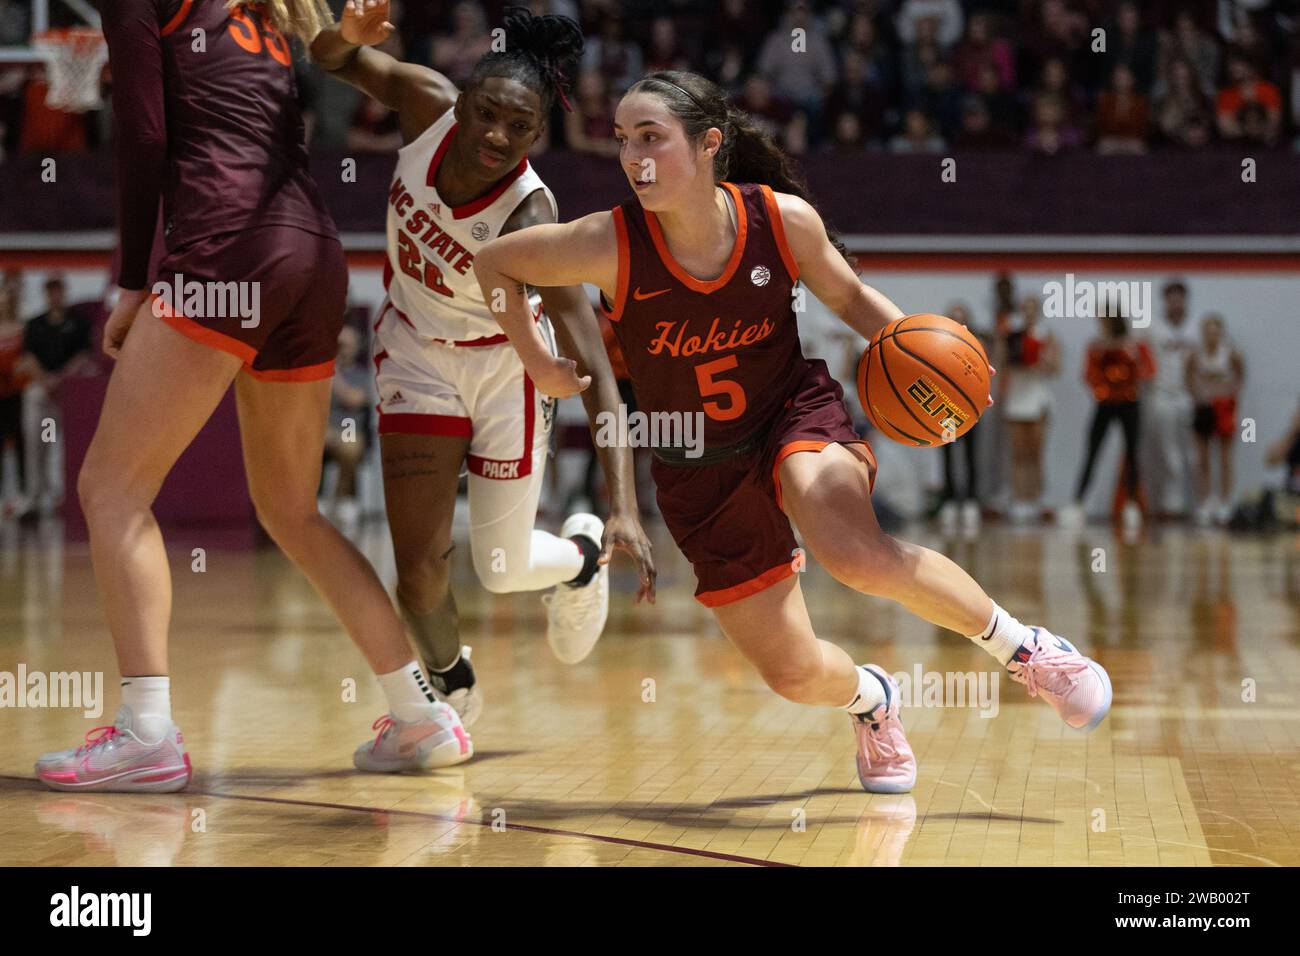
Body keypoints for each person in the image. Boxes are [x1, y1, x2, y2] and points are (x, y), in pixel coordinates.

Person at [473, 69, 1112, 794]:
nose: (632, 157)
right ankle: (872, 701)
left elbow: (851, 298)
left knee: (854, 554)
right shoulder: (608, 242)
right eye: (622, 140)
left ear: (709, 143)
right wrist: (538, 362)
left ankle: (1029, 652)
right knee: (794, 674)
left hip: (790, 416)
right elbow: (493, 261)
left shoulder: (780, 221)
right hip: (697, 466)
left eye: (650, 137)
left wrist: (933, 369)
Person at [35, 0, 472, 793]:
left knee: (111, 489)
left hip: (231, 247)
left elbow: (142, 136)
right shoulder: (259, 13)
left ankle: (147, 735)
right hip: (313, 252)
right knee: (291, 510)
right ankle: (420, 715)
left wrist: (133, 280)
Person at [311, 2, 655, 728]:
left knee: (500, 573)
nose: (498, 135)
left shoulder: (532, 217)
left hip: (505, 371)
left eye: (519, 127)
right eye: (488, 113)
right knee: (418, 569)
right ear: (463, 102)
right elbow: (331, 61)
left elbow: (591, 356)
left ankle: (580, 558)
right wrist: (348, 36)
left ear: (537, 135)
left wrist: (622, 502)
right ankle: (452, 690)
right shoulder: (425, 103)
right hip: (414, 354)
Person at [1058, 314, 1154, 531]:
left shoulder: (1134, 345)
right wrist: (1103, 384)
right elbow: (1088, 374)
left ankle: (1131, 504)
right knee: (1092, 451)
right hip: (1105, 403)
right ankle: (1078, 503)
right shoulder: (1097, 346)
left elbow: (1148, 371)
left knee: (1131, 453)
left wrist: (1132, 360)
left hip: (1130, 403)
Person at [21, 275, 91, 513]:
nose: (55, 296)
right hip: (41, 391)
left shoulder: (77, 323)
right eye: (51, 291)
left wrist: (62, 380)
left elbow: (82, 354)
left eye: (58, 290)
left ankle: (60, 497)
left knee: (60, 445)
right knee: (36, 443)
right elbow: (29, 357)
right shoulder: (35, 324)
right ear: (46, 294)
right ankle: (34, 496)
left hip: (67, 392)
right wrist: (45, 380)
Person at [999, 295, 1059, 523]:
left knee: (1036, 453)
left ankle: (1037, 498)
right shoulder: (1012, 334)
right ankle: (1019, 499)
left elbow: (1054, 368)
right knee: (1018, 453)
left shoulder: (1047, 335)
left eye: (1033, 309)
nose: (1029, 314)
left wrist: (1040, 358)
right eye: (1025, 309)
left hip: (1037, 396)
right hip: (1017, 395)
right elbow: (1003, 361)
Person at [1145, 279, 1196, 518]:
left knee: (1191, 451)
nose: (1176, 304)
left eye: (1180, 299)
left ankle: (1196, 502)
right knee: (1167, 451)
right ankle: (1170, 502)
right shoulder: (1152, 328)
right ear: (1165, 301)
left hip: (1188, 395)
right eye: (1171, 299)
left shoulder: (1196, 328)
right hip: (1162, 393)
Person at [1187, 313, 1244, 525]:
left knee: (1225, 458)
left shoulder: (1231, 354)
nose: (1211, 335)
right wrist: (1196, 396)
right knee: (1202, 458)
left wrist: (1232, 395)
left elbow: (1240, 375)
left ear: (1221, 332)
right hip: (1204, 407)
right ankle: (1205, 501)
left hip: (1224, 407)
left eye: (1215, 331)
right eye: (1207, 331)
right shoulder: (1195, 354)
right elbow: (1188, 376)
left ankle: (1225, 501)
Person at [321, 324, 372, 529]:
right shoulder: (320, 372)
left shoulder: (360, 375)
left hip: (348, 425)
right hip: (323, 425)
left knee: (349, 446)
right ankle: (314, 501)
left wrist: (333, 375)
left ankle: (342, 500)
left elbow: (354, 399)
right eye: (339, 344)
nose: (342, 349)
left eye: (347, 345)